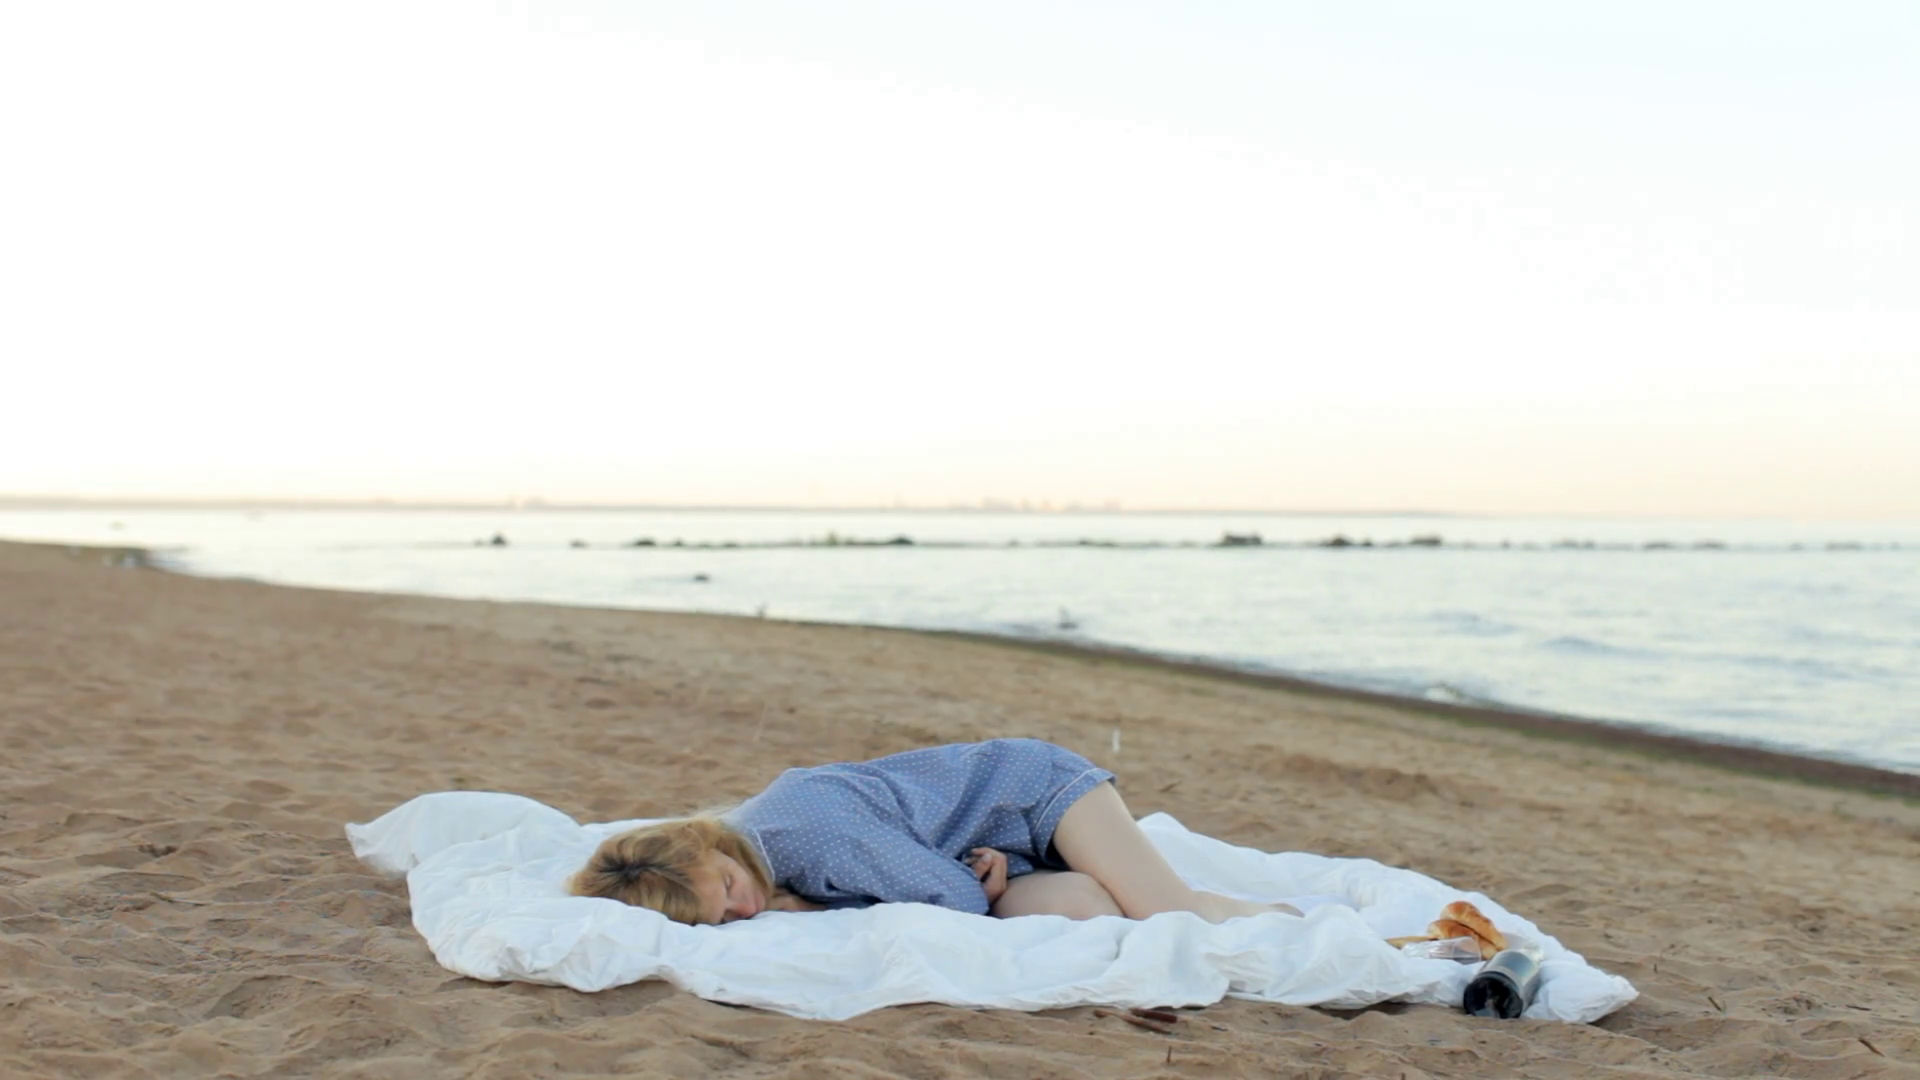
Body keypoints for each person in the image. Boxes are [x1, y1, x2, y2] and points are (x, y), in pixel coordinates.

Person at [568, 738, 1311, 925]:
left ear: (709, 844)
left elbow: (953, 901)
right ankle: (1161, 886)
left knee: (1171, 920)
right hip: (986, 847)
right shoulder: (749, 843)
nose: (743, 910)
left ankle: (1244, 912)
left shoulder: (813, 842)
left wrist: (829, 906)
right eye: (720, 915)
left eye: (728, 889)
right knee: (1087, 909)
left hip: (1032, 793)